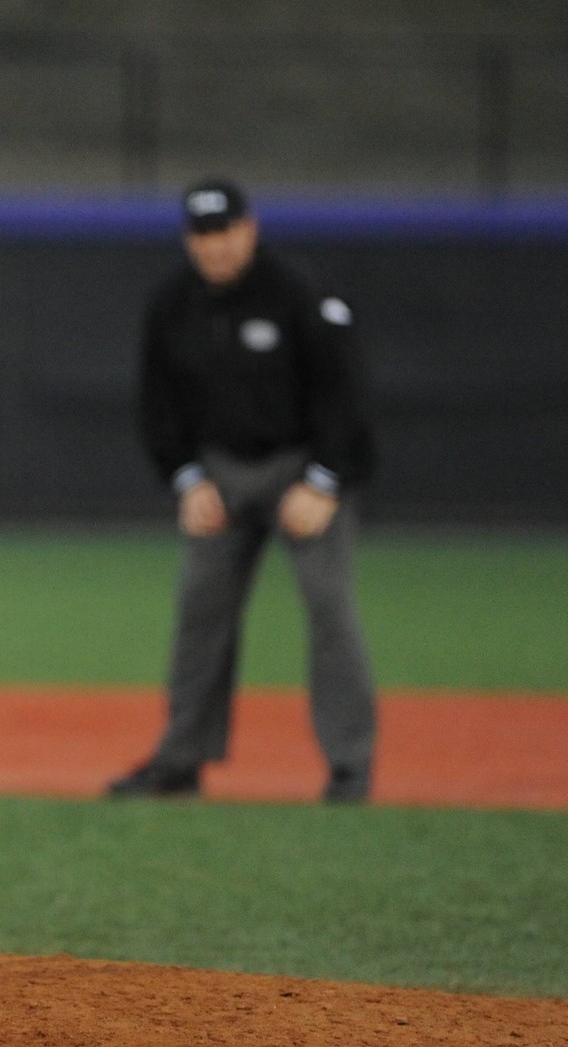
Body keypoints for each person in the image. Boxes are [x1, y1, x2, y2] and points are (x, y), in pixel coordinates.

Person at [108, 179, 378, 804]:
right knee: (200, 613)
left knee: (330, 608)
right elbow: (157, 404)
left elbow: (346, 392)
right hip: (220, 473)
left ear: (249, 229)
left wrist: (325, 480)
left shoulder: (297, 291)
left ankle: (351, 766)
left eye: (224, 231)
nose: (215, 246)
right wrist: (186, 477)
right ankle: (180, 760)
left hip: (301, 468)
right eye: (202, 234)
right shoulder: (172, 302)